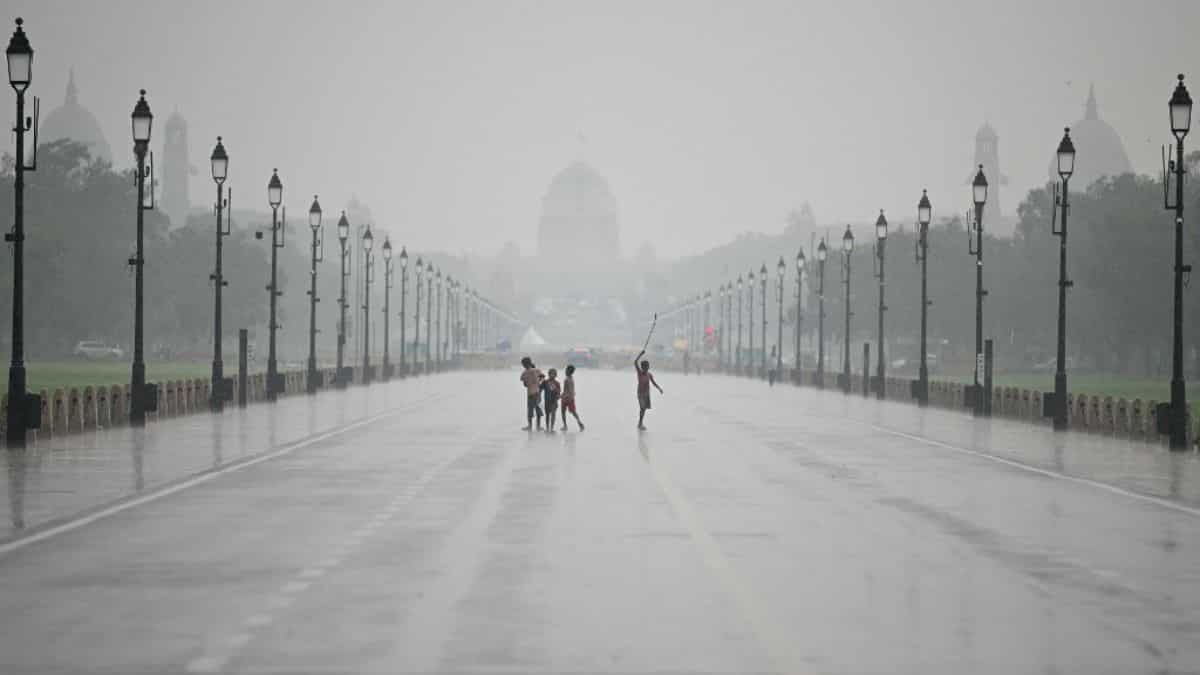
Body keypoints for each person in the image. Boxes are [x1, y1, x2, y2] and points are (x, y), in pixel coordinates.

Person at [634, 350, 664, 430]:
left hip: (646, 394)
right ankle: (640, 423)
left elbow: (654, 383)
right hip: (640, 394)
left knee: (644, 409)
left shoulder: (649, 374)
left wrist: (659, 388)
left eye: (647, 367)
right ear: (642, 367)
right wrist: (640, 354)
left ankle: (640, 423)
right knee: (642, 408)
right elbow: (635, 362)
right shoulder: (640, 373)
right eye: (645, 367)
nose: (647, 369)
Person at [519, 357, 544, 430]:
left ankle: (530, 426)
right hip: (537, 392)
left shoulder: (524, 372)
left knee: (530, 410)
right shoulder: (537, 370)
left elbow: (524, 384)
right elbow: (542, 377)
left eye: (523, 364)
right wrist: (538, 382)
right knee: (537, 408)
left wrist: (528, 383)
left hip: (530, 393)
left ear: (524, 364)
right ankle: (538, 426)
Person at [560, 364, 585, 431]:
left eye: (566, 370)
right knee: (573, 412)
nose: (565, 371)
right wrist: (571, 395)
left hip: (566, 398)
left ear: (568, 371)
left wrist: (562, 396)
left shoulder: (567, 380)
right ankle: (579, 422)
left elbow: (566, 390)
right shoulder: (571, 379)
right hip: (570, 397)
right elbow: (571, 390)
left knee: (563, 412)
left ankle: (565, 426)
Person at [542, 368, 562, 432]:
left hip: (554, 401)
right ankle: (547, 428)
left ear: (555, 375)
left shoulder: (557, 383)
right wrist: (538, 397)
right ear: (548, 374)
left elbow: (559, 393)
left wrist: (558, 396)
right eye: (551, 374)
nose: (552, 375)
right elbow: (540, 389)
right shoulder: (545, 382)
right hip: (547, 401)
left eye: (553, 374)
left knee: (553, 414)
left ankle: (552, 428)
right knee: (547, 415)